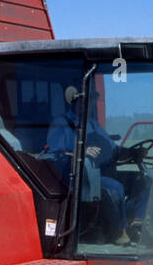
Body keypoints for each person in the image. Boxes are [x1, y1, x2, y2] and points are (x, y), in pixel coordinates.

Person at [46, 85, 128, 243]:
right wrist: (80, 151)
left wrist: (128, 152)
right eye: (87, 101)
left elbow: (112, 147)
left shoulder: (92, 123)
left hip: (96, 172)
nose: (90, 105)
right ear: (75, 102)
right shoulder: (61, 123)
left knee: (139, 181)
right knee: (115, 187)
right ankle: (119, 233)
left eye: (92, 101)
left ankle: (136, 225)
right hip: (74, 177)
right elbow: (54, 155)